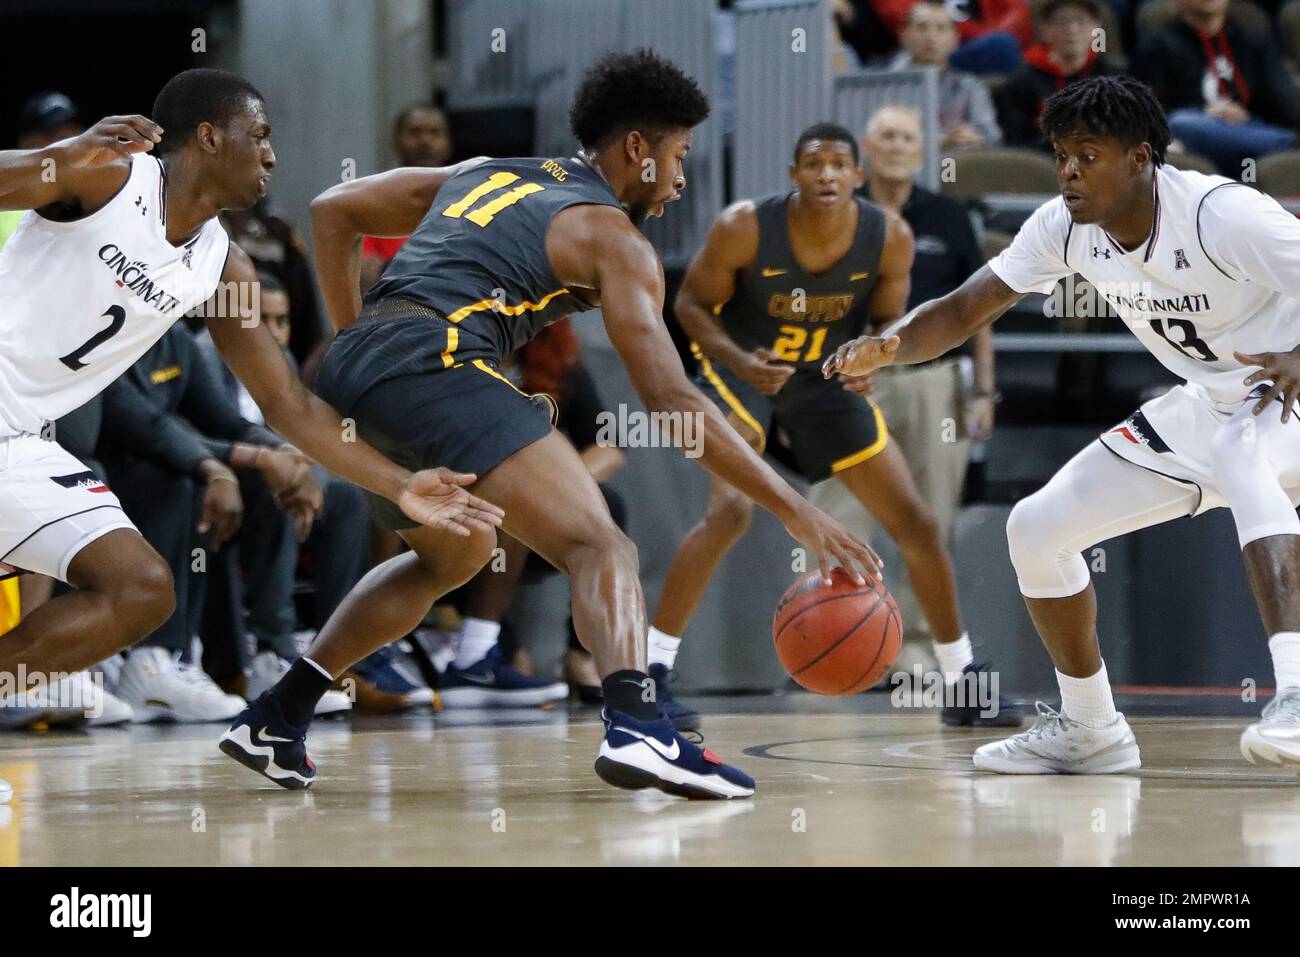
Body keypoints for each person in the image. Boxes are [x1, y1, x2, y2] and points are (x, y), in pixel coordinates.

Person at [220, 50, 876, 800]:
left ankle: (278, 713)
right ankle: (637, 726)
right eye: (680, 154)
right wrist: (796, 511)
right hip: (436, 358)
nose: (684, 176)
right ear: (638, 150)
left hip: (364, 370)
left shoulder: (490, 170)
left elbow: (335, 207)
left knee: (451, 557)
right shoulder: (617, 240)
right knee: (602, 545)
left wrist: (358, 337)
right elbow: (672, 401)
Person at [0, 69, 500, 744]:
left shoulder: (222, 267)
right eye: (259, 135)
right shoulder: (108, 176)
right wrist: (54, 158)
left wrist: (399, 482)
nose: (272, 155)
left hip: (20, 438)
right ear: (208, 137)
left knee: (141, 588)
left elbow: (287, 402)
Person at [824, 75, 1300, 773]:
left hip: (1285, 392)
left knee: (1241, 446)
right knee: (1036, 527)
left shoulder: (1224, 215)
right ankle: (1091, 728)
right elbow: (963, 309)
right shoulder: (1063, 228)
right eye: (1061, 157)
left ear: (1141, 159)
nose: (1070, 172)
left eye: (1088, 155)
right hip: (1208, 400)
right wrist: (890, 344)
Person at [651, 122, 1019, 731]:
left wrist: (872, 359)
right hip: (739, 375)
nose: (826, 175)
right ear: (794, 175)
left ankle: (961, 678)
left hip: (822, 378)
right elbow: (688, 307)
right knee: (730, 514)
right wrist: (741, 360)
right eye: (813, 165)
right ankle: (651, 672)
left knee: (918, 524)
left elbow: (885, 326)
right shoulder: (744, 226)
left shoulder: (890, 237)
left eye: (838, 165)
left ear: (856, 176)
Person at [809, 106, 995, 681]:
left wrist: (985, 389)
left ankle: (915, 648)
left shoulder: (949, 217)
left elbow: (980, 310)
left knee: (929, 517)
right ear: (865, 150)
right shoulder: (835, 215)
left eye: (907, 137)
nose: (896, 145)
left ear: (922, 150)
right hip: (851, 374)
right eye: (885, 135)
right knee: (833, 509)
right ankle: (829, 637)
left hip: (933, 381)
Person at [1132, 0, 1300, 175]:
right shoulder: (1157, 47)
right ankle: (1287, 144)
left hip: (1250, 130)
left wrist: (1242, 114)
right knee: (1182, 122)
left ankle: (1284, 144)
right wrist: (1206, 111)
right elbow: (1148, 111)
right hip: (1192, 136)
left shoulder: (1253, 42)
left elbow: (1287, 105)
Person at [877, 1, 1002, 150]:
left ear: (955, 39)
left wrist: (974, 137)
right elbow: (880, 137)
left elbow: (992, 135)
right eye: (921, 27)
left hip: (955, 167)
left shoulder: (970, 86)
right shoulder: (883, 84)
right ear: (903, 35)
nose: (931, 37)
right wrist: (940, 141)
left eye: (941, 29)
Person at [995, 0, 1118, 150]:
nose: (1072, 29)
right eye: (1061, 21)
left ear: (1097, 28)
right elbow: (1015, 146)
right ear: (1044, 30)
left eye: (1082, 20)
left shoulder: (1113, 77)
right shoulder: (1021, 83)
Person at [358, 105, 455, 293]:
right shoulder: (371, 204)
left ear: (448, 144)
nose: (425, 141)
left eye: (434, 133)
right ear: (396, 142)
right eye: (414, 132)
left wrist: (394, 267)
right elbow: (364, 278)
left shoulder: (470, 200)